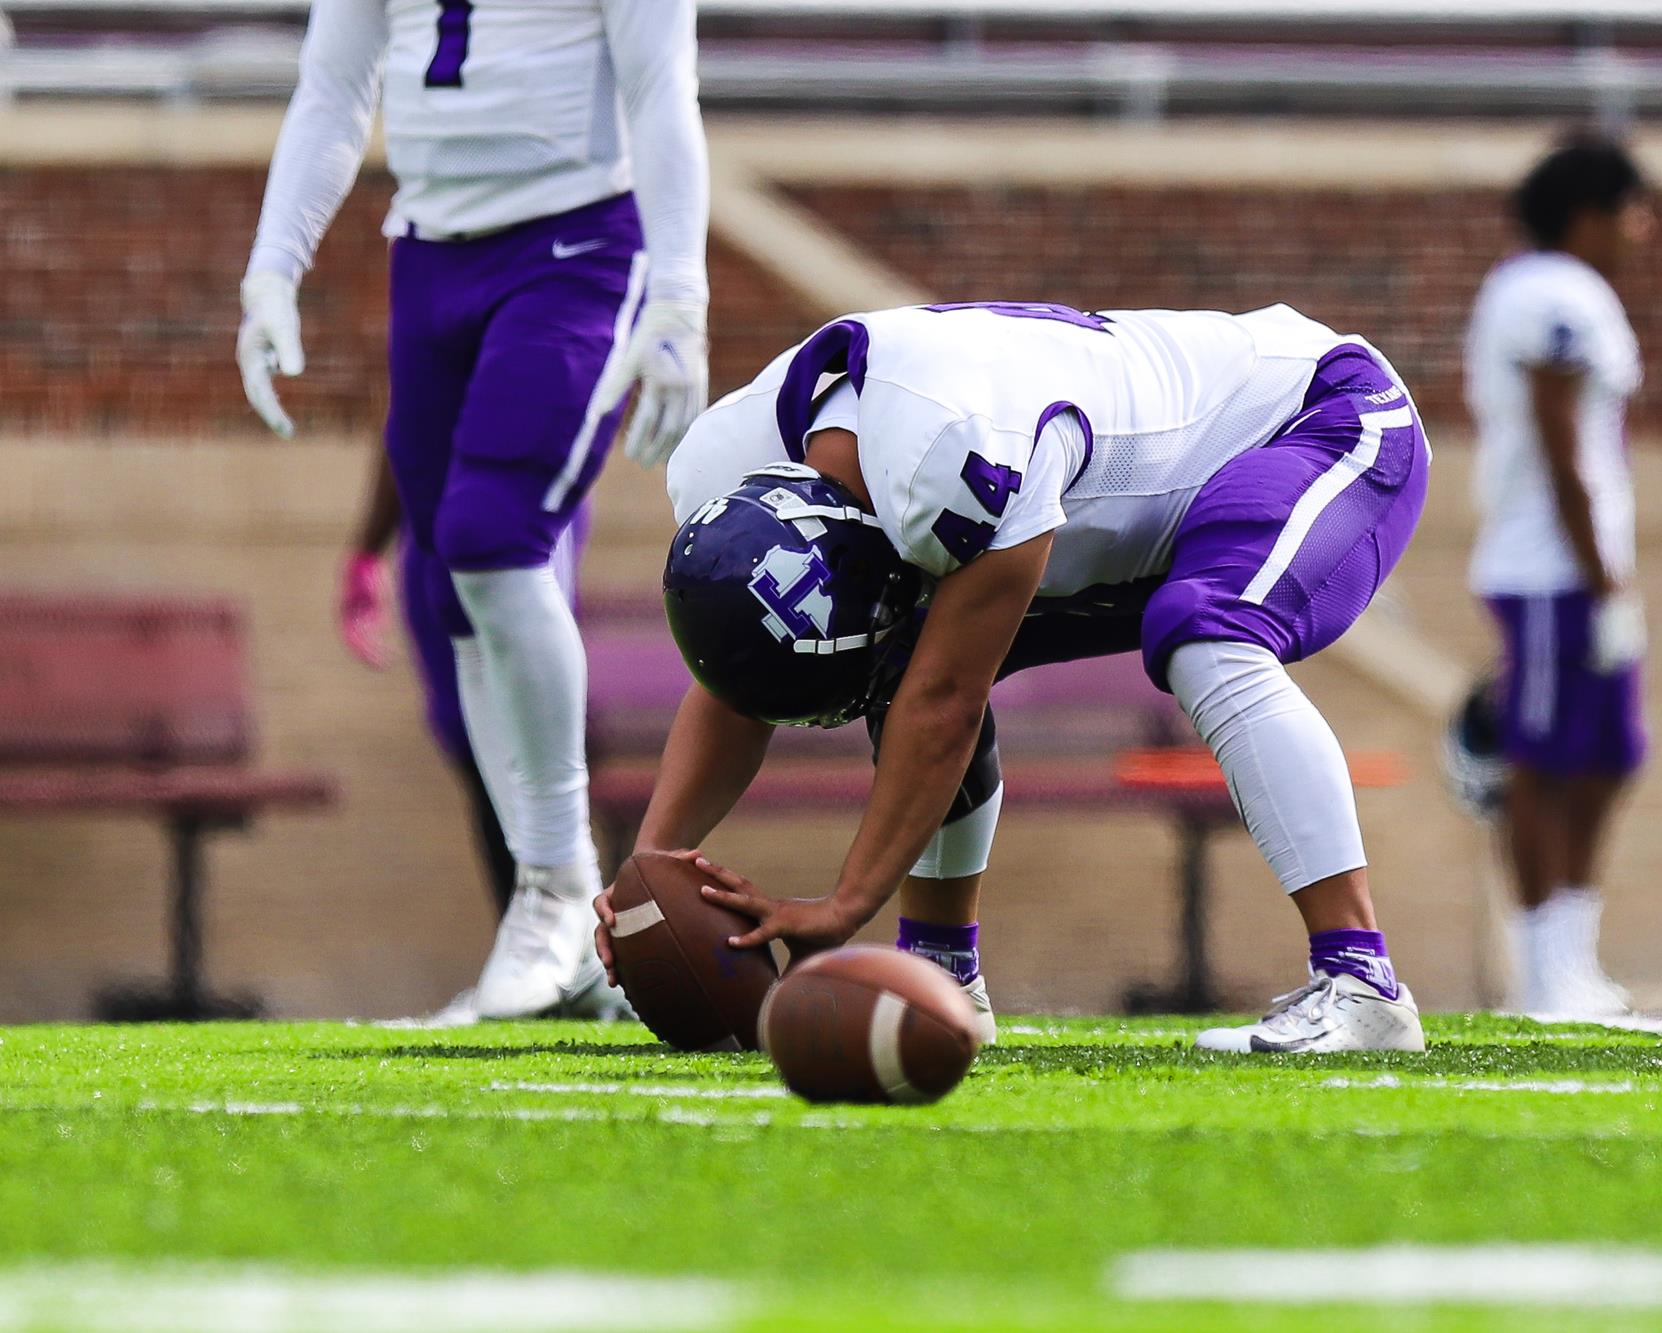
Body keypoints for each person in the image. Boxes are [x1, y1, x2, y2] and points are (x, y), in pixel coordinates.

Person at [593, 301, 1432, 1054]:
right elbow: (744, 673)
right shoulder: (730, 480)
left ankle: (1361, 983)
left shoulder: (950, 455)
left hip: (1318, 419)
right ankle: (943, 977)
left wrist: (844, 904)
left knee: (1208, 635)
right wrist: (651, 876)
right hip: (1111, 507)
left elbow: (945, 701)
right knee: (910, 650)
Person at [234, 0, 710, 1022]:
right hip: (430, 253)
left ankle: (556, 896)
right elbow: (331, 89)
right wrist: (273, 264)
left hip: (576, 246)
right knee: (453, 584)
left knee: (495, 542)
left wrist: (680, 297)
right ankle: (556, 925)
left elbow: (662, 88)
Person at [1462, 137, 1653, 1018]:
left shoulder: (1565, 291)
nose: (1642, 230)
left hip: (1579, 566)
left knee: (1609, 757)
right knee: (1541, 761)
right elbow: (1558, 433)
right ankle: (1542, 971)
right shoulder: (1548, 291)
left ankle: (1572, 955)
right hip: (1549, 568)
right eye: (1632, 210)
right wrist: (1599, 573)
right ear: (1589, 214)